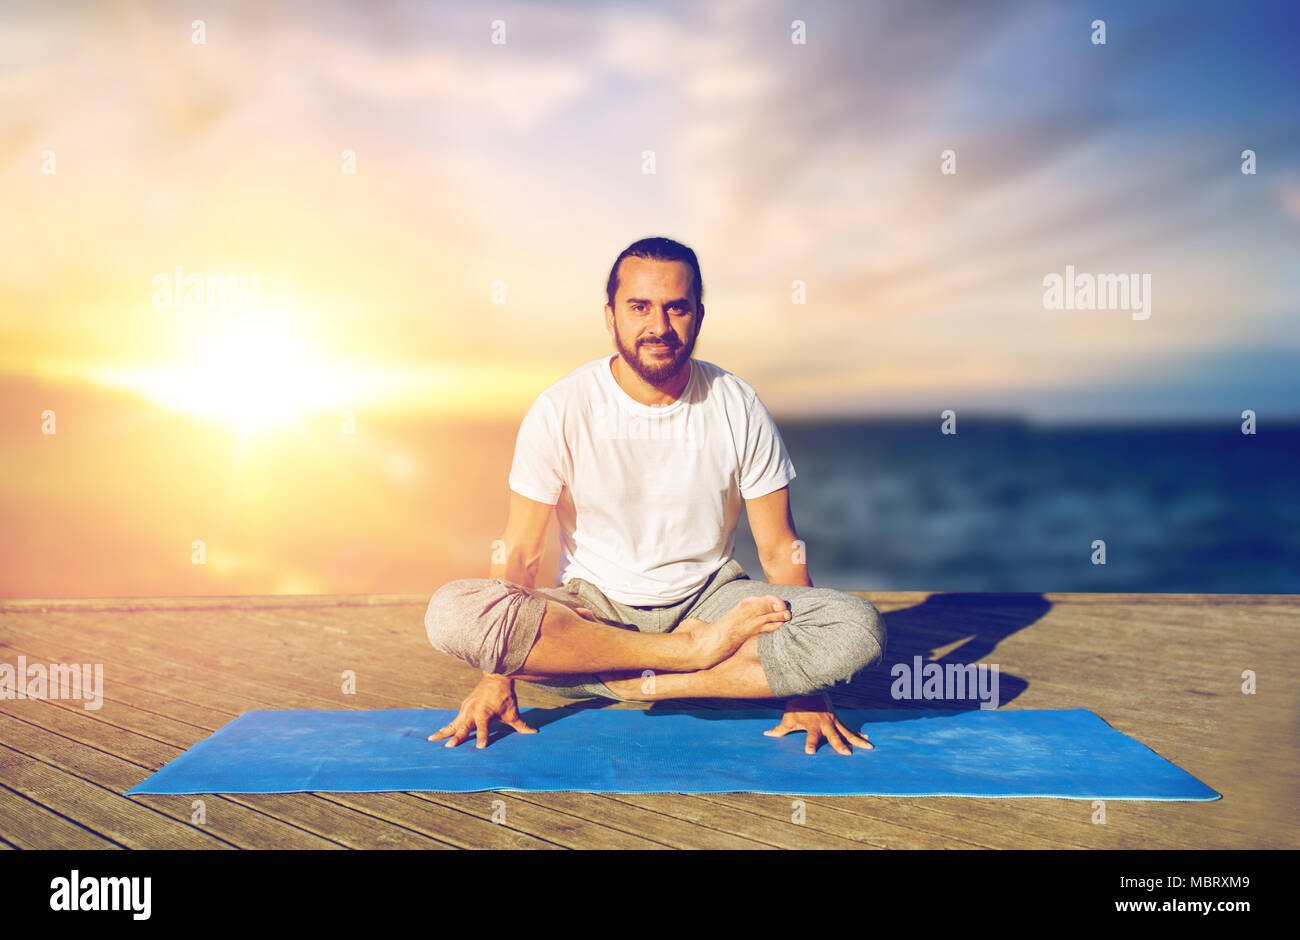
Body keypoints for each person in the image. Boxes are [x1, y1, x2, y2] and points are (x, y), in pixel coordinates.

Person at [424, 236, 886, 754]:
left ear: (699, 316)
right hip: (593, 612)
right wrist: (496, 679)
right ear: (610, 315)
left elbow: (780, 549)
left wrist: (809, 691)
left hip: (711, 603)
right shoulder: (561, 407)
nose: (659, 327)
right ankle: (689, 656)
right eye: (639, 307)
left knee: (855, 629)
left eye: (676, 308)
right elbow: (522, 551)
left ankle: (636, 681)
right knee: (453, 613)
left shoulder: (736, 403)